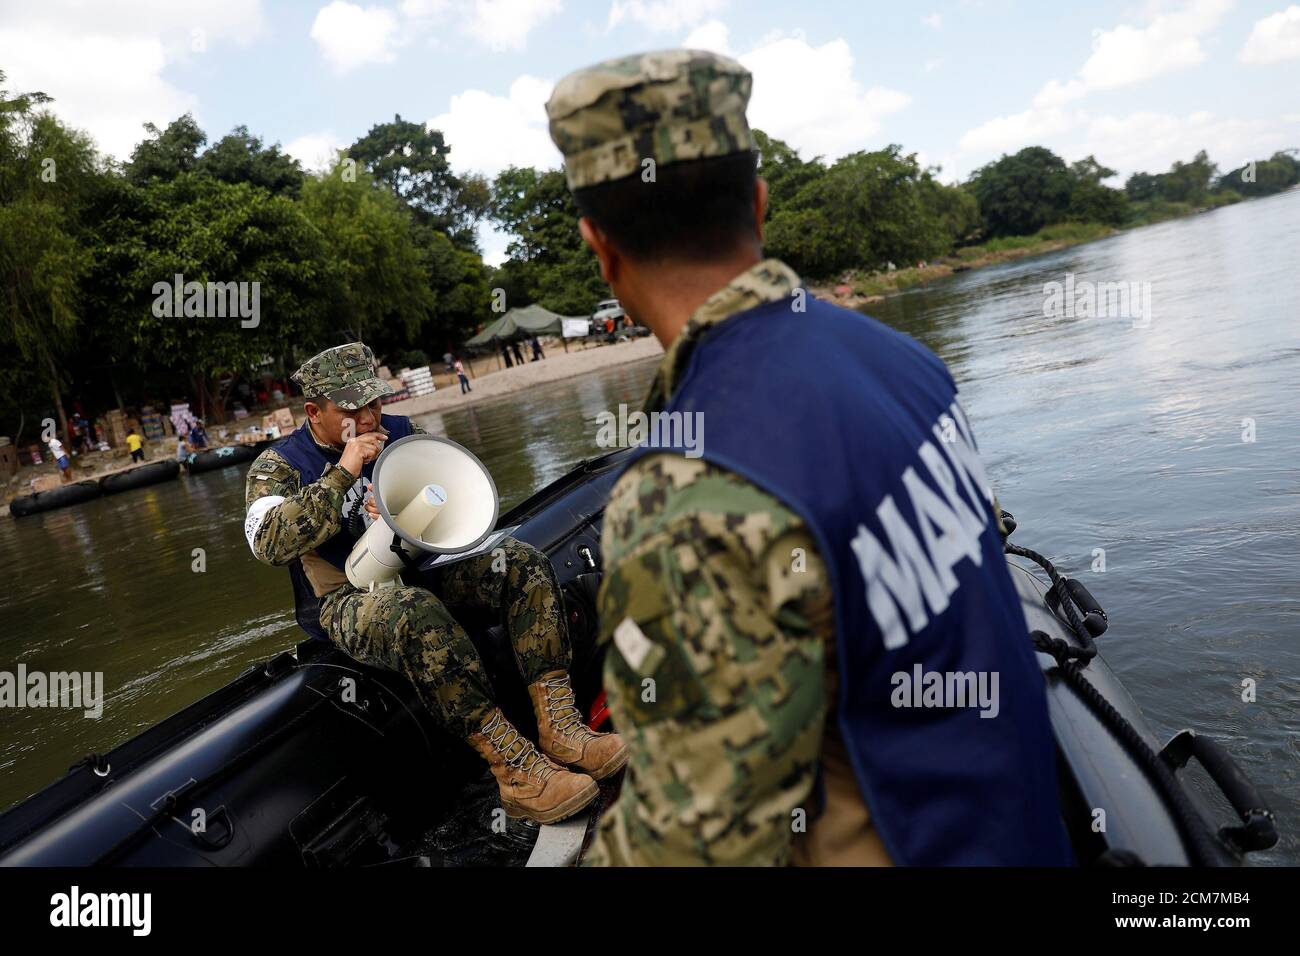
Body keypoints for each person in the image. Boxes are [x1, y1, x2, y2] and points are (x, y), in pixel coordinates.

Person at [545, 49, 1072, 866]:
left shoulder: (688, 490)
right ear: (757, 202)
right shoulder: (907, 363)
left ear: (598, 246)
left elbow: (690, 850)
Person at [243, 343, 626, 822]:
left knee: (523, 564)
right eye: (350, 409)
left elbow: (458, 499)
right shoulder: (279, 466)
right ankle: (515, 773)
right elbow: (268, 545)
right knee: (415, 614)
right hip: (344, 598)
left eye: (375, 403)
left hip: (420, 570)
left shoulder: (403, 434)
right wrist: (344, 475)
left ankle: (561, 727)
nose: (367, 418)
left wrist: (409, 510)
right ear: (314, 412)